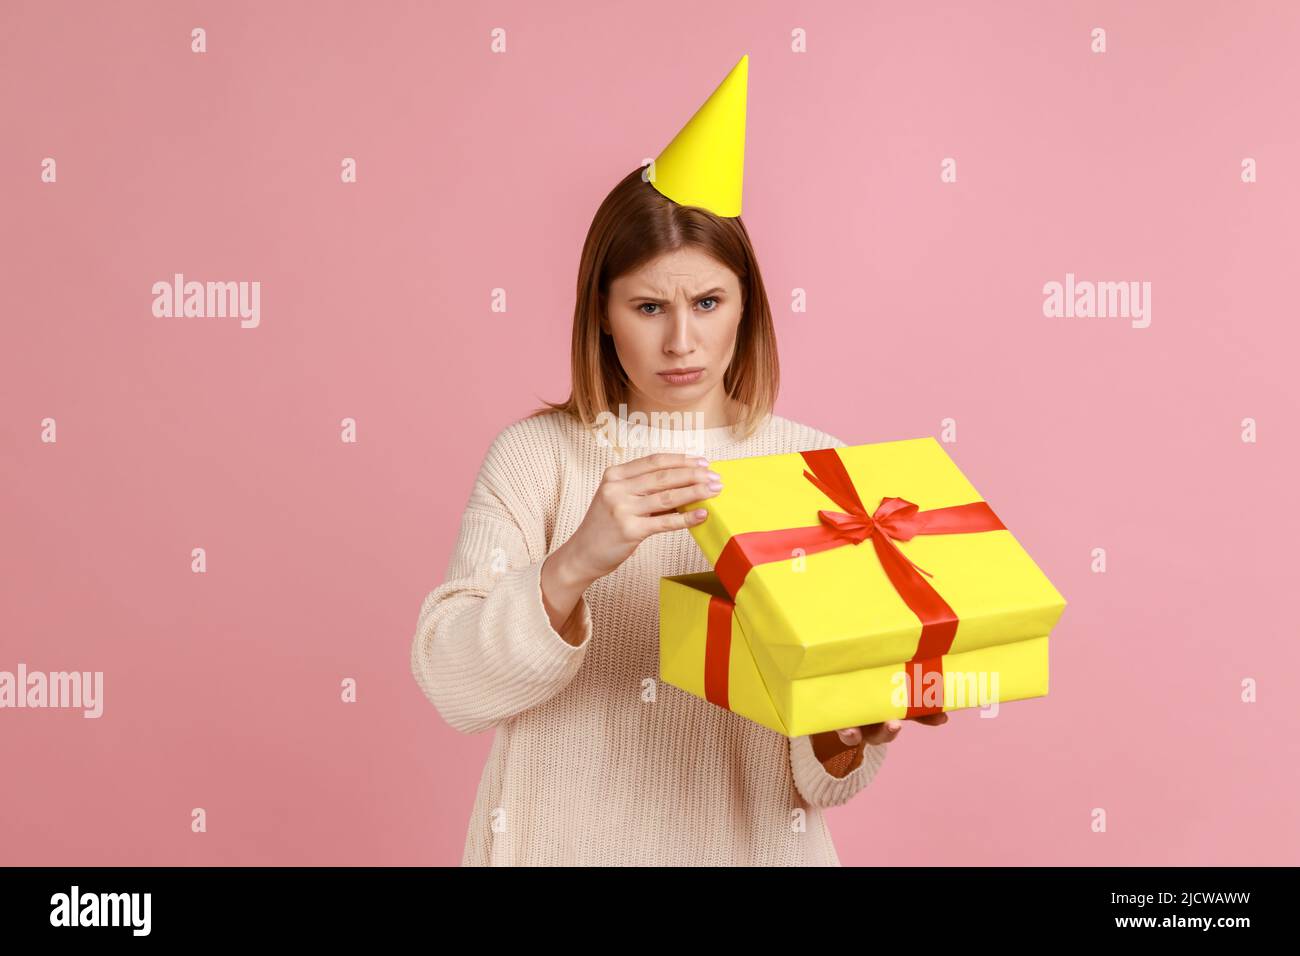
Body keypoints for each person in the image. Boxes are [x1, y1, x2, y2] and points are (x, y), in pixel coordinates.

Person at [410, 55, 946, 866]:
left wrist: (858, 722)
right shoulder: (536, 459)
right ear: (602, 313)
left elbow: (821, 782)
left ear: (746, 306)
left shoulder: (816, 470)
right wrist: (575, 564)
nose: (682, 342)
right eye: (649, 307)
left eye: (707, 303)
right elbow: (454, 687)